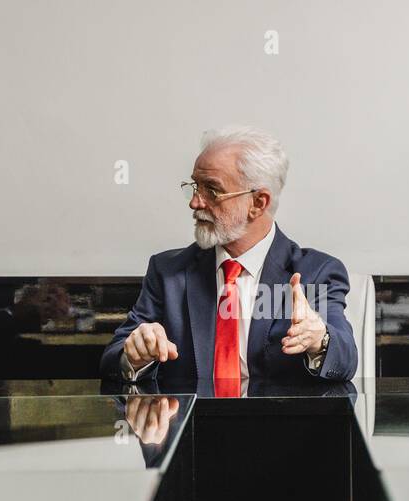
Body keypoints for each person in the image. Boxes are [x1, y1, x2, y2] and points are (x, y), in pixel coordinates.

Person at [99, 125, 357, 395]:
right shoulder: (168, 273)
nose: (195, 203)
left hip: (279, 431)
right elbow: (112, 359)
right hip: (192, 431)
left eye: (212, 190)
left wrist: (320, 339)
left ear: (258, 203)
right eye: (195, 187)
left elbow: (345, 360)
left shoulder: (316, 273)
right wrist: (135, 356)